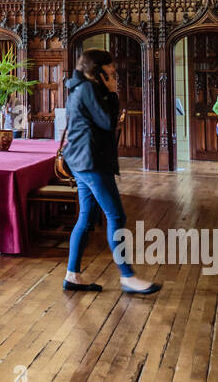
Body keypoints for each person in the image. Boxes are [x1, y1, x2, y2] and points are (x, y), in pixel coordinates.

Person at [62, 49, 161, 295]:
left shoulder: (80, 88)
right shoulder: (88, 89)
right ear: (98, 71)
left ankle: (72, 275)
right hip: (91, 161)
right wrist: (113, 92)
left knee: (85, 218)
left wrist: (109, 91)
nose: (114, 74)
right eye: (111, 71)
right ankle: (127, 276)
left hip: (83, 160)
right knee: (116, 216)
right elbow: (108, 122)